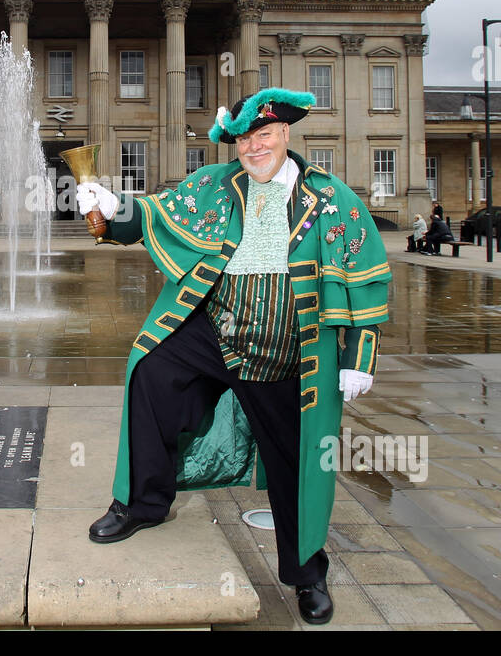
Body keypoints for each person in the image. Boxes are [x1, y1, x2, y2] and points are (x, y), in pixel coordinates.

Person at [76, 88, 390, 625]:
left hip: (286, 348)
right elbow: (159, 212)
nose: (253, 147)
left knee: (296, 463)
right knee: (150, 372)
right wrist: (111, 206)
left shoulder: (332, 198)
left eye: (262, 135)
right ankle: (142, 503)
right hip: (215, 327)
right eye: (244, 139)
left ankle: (307, 573)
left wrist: (360, 354)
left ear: (285, 134)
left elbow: (366, 275)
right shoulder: (218, 185)